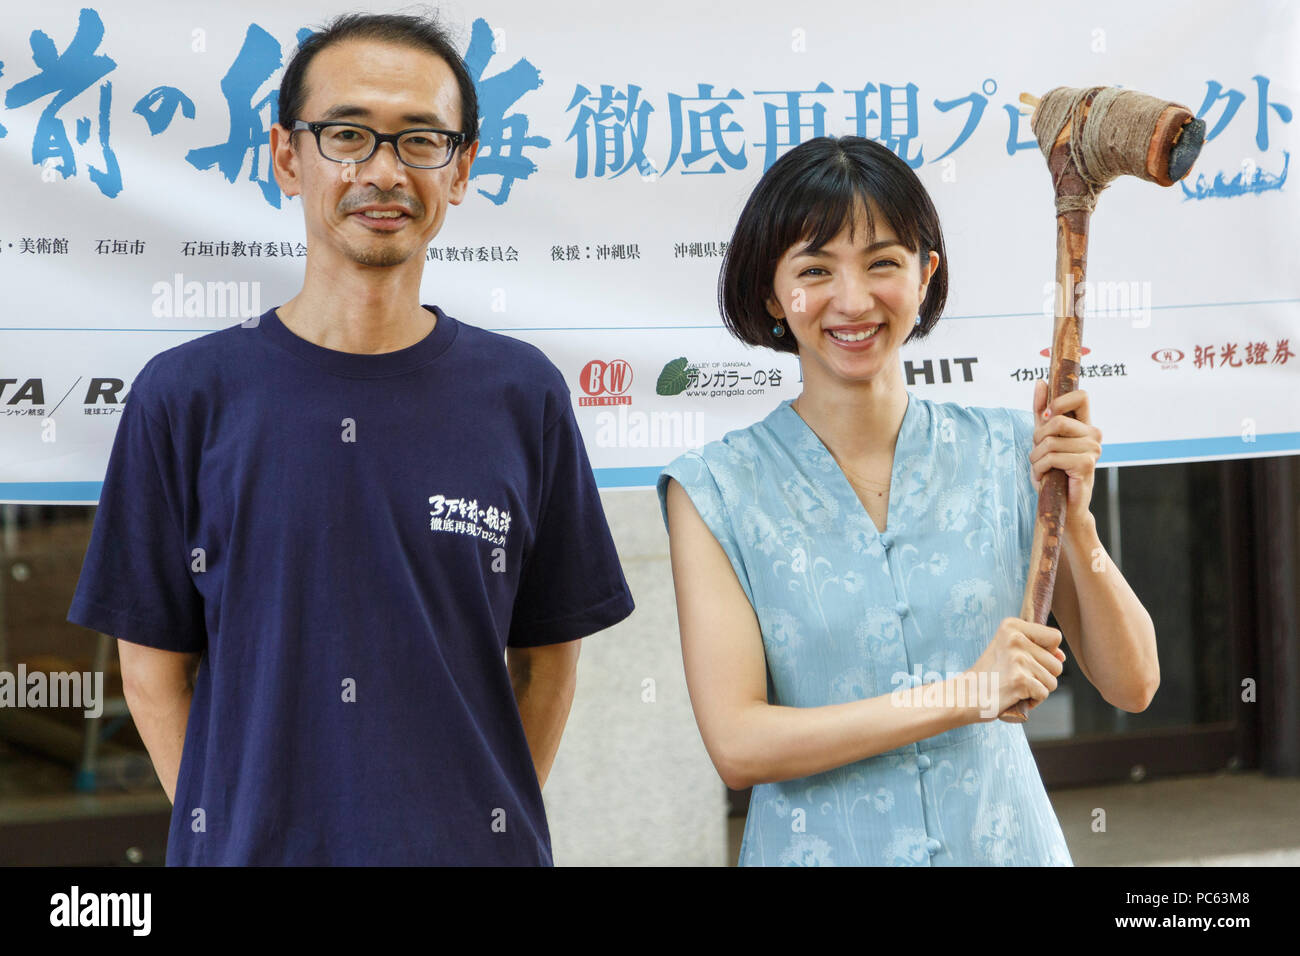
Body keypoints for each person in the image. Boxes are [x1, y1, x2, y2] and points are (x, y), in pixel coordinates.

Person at [67, 12, 633, 865]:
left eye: (420, 142)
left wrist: (474, 823)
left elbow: (548, 665)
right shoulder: (185, 398)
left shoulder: (523, 396)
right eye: (347, 135)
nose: (383, 171)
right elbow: (151, 673)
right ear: (288, 157)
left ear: (464, 167)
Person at [658, 136, 1159, 866]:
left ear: (925, 276)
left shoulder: (1012, 452)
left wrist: (1075, 522)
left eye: (883, 263)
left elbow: (1134, 683)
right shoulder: (716, 489)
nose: (853, 300)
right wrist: (963, 694)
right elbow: (739, 744)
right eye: (816, 269)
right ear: (773, 291)